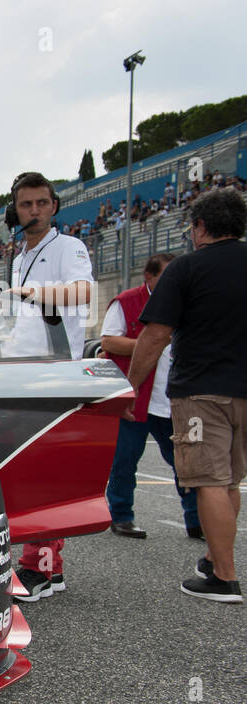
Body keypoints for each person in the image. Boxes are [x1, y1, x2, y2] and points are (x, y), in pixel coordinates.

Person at [128, 187, 247, 604]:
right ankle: (216, 559)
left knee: (208, 480)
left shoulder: (186, 269)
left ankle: (224, 577)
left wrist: (132, 387)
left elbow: (156, 334)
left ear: (199, 227)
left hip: (201, 390)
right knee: (230, 478)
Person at [5, 172, 94, 603]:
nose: (35, 211)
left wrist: (32, 292)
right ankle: (48, 565)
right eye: (26, 204)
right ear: (14, 210)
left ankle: (37, 565)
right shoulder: (19, 257)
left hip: (54, 372)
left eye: (42, 203)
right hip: (21, 371)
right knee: (29, 471)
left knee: (42, 474)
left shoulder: (68, 247)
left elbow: (82, 292)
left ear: (54, 206)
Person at [101, 253, 200, 539]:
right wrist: (150, 344)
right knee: (125, 460)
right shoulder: (126, 301)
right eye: (166, 276)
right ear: (149, 276)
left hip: (175, 399)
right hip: (138, 396)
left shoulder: (188, 300)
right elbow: (108, 341)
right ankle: (121, 516)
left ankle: (196, 520)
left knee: (186, 463)